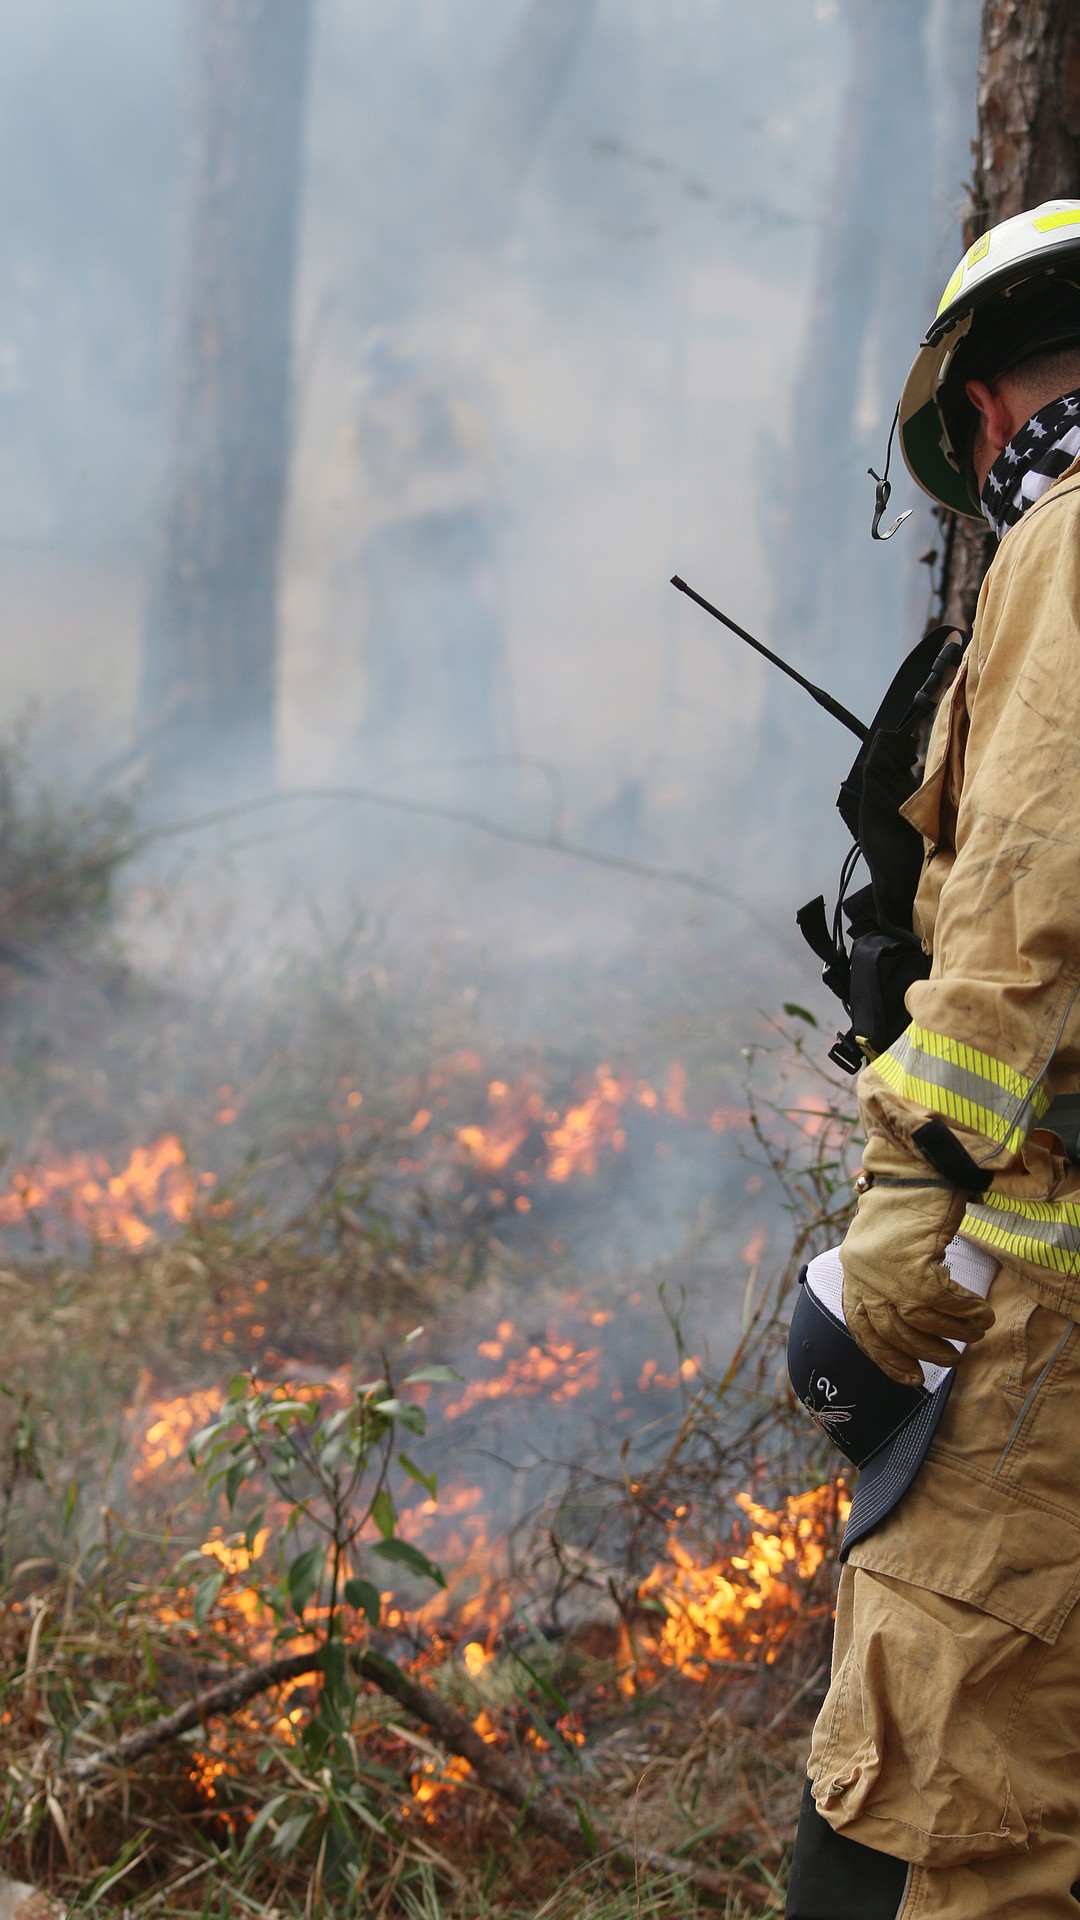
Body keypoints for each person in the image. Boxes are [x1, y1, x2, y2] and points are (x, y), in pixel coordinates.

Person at [786, 200, 1080, 1919]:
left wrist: (912, 1198)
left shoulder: (1067, 543)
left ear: (978, 411)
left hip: (1039, 1311)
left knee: (935, 1804)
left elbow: (1035, 884)